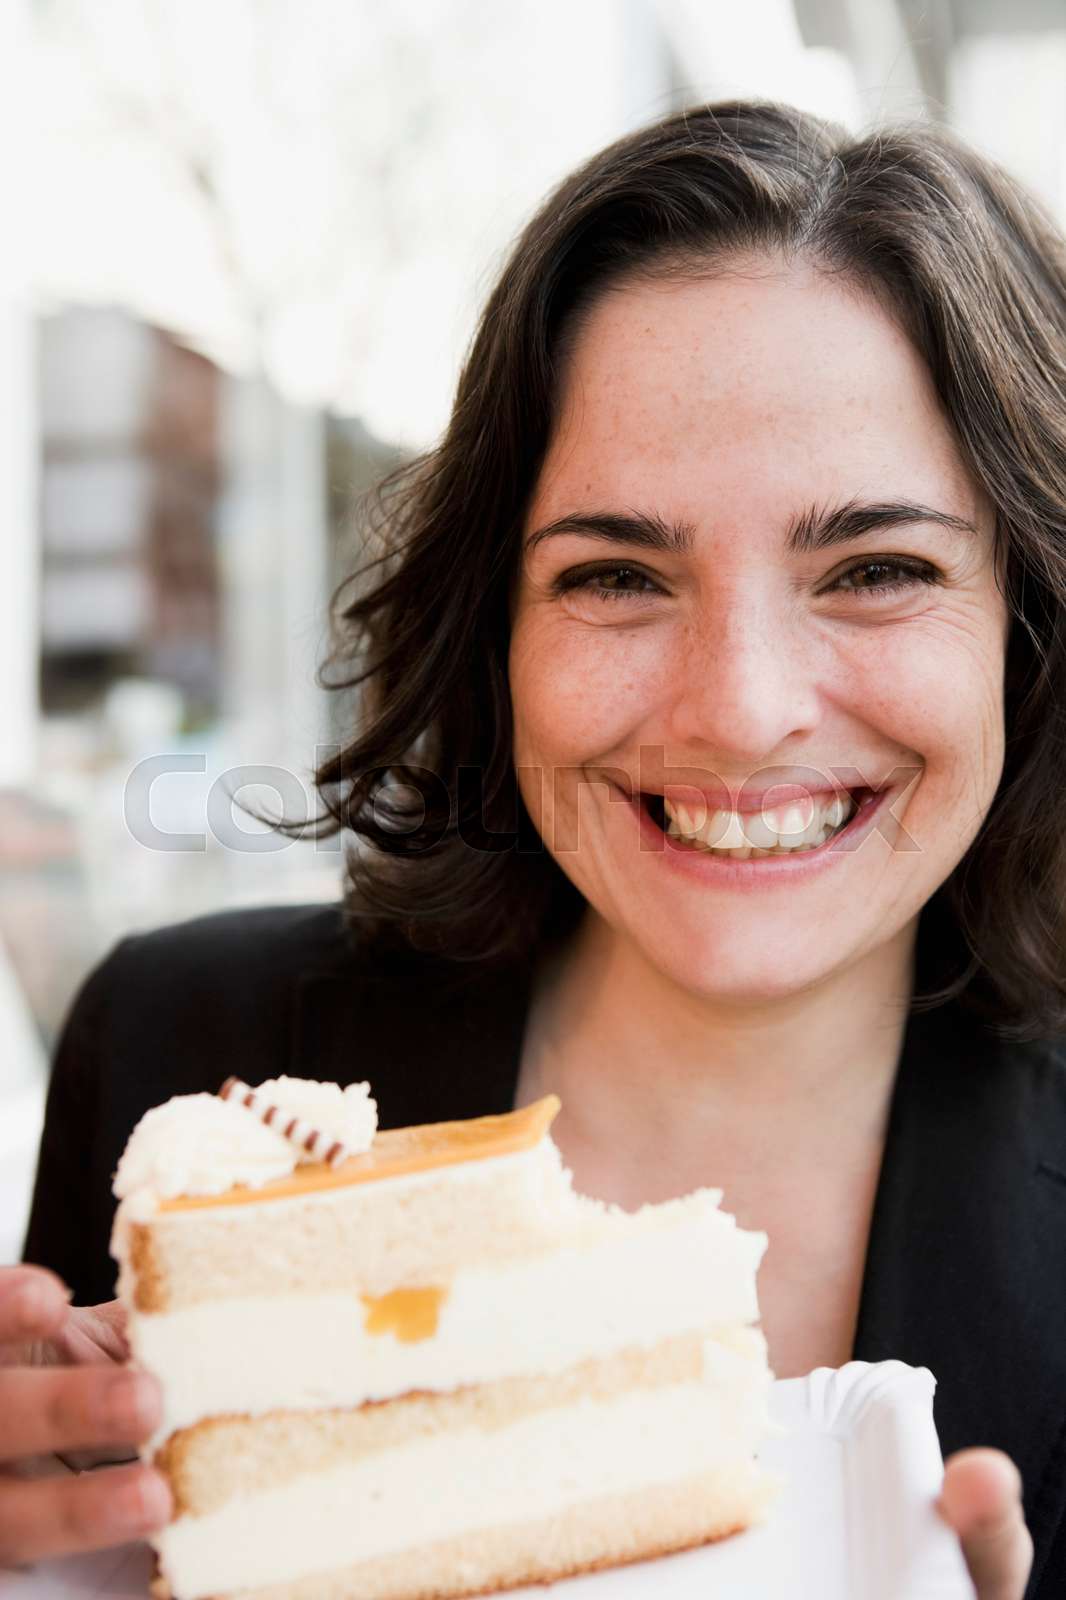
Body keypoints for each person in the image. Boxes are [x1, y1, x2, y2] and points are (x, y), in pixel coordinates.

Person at [6, 99, 1066, 1598]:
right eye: (617, 574)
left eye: (876, 569)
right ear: (487, 627)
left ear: (1026, 630)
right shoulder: (184, 1044)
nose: (741, 709)